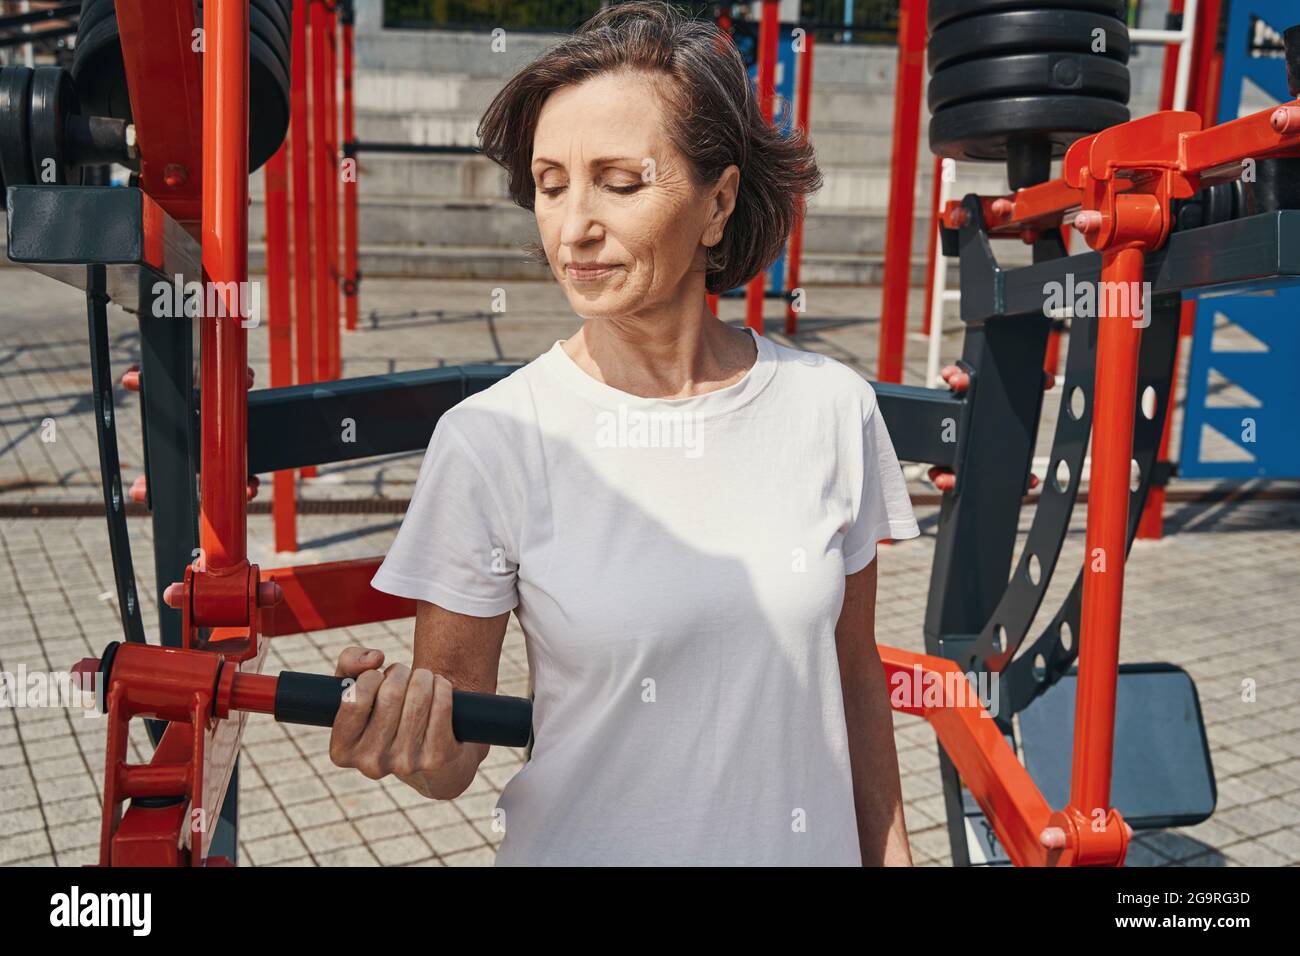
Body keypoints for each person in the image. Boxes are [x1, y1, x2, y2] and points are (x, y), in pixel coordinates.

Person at [329, 0, 921, 866]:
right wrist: (398, 727)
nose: (574, 227)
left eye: (620, 180)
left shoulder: (829, 406)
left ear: (718, 203)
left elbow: (854, 679)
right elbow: (453, 751)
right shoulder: (492, 440)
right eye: (551, 183)